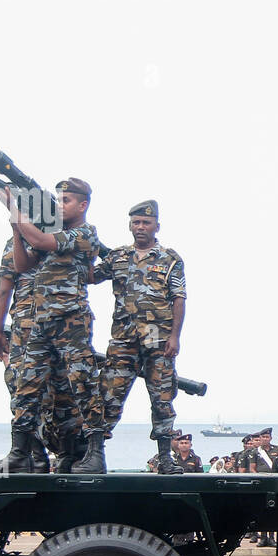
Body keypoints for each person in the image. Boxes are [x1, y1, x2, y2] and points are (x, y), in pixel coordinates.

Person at [0, 177, 106, 473]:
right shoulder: (48, 231)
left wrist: (15, 212)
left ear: (83, 204)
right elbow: (22, 266)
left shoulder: (85, 233)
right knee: (26, 385)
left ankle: (94, 453)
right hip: (40, 322)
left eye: (66, 200)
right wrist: (17, 228)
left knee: (82, 385)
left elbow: (41, 242)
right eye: (58, 200)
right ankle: (20, 452)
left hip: (71, 321)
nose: (60, 205)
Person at [90, 200, 187, 474]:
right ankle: (95, 454)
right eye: (136, 222)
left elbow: (178, 298)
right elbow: (90, 276)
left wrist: (175, 337)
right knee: (108, 393)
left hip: (158, 338)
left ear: (157, 226)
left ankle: (165, 459)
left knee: (162, 398)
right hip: (123, 338)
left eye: (146, 223)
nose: (140, 227)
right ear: (129, 225)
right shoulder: (118, 257)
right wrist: (79, 249)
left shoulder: (170, 259)